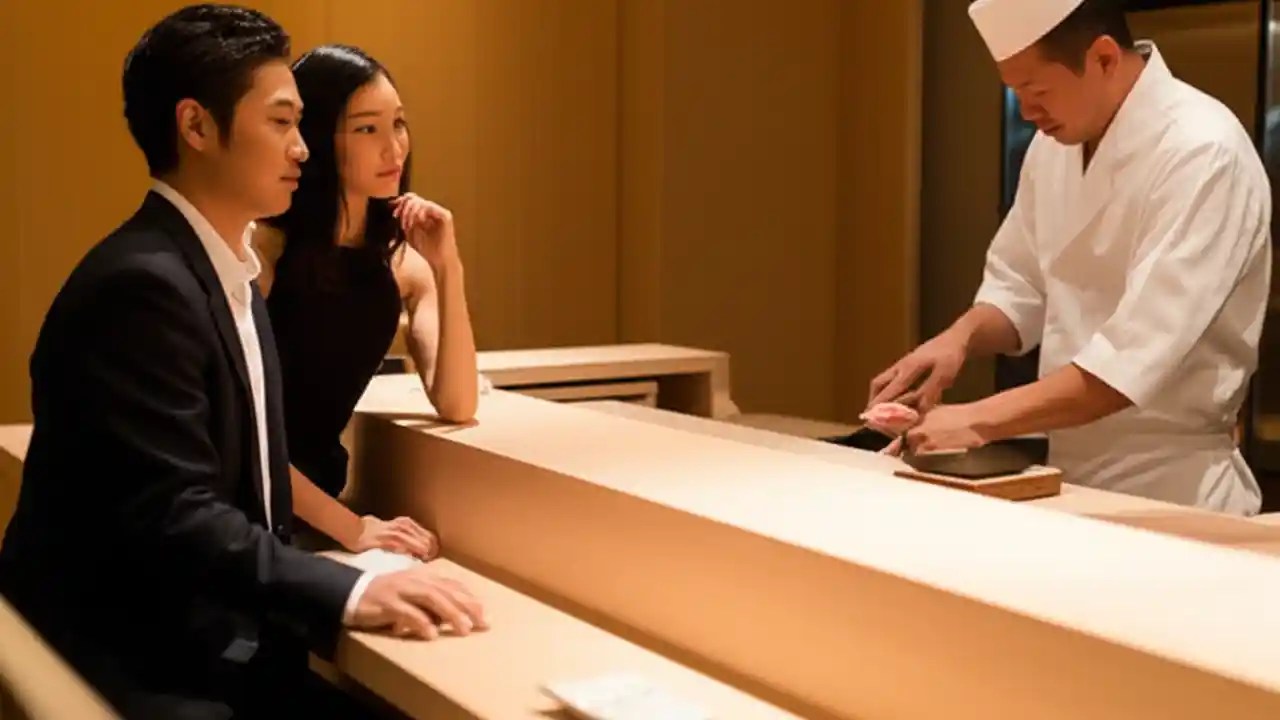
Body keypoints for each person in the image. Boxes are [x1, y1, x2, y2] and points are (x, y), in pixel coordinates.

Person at [0, 6, 485, 717]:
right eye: (283, 123)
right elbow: (176, 514)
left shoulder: (221, 271)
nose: (303, 149)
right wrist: (352, 587)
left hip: (210, 623)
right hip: (127, 659)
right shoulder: (143, 286)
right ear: (196, 127)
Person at [867, 0, 1272, 515]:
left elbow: (1131, 361)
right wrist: (958, 339)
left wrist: (976, 419)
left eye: (1036, 92)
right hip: (1069, 478)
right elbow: (1021, 287)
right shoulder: (1054, 145)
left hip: (1174, 486)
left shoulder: (1203, 151)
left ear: (1103, 57)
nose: (1028, 113)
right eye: (1015, 94)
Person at [250, 44, 481, 560]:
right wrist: (353, 529)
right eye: (366, 129)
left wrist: (449, 267)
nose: (394, 149)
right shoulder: (261, 251)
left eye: (398, 124)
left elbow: (457, 402)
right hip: (246, 509)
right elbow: (244, 431)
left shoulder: (402, 265)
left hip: (317, 509)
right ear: (314, 140)